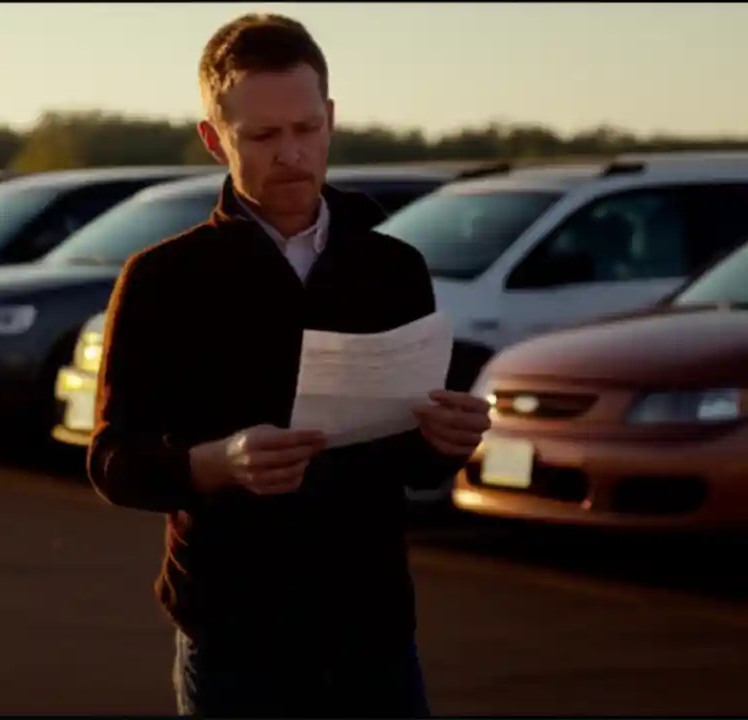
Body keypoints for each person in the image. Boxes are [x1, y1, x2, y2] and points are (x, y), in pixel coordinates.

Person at [87, 12, 492, 718]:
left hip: (373, 630)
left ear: (331, 118)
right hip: (234, 634)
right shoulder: (161, 278)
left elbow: (414, 463)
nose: (292, 155)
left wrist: (448, 441)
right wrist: (218, 463)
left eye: (306, 130)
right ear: (214, 139)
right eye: (263, 136)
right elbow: (113, 460)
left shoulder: (391, 268)